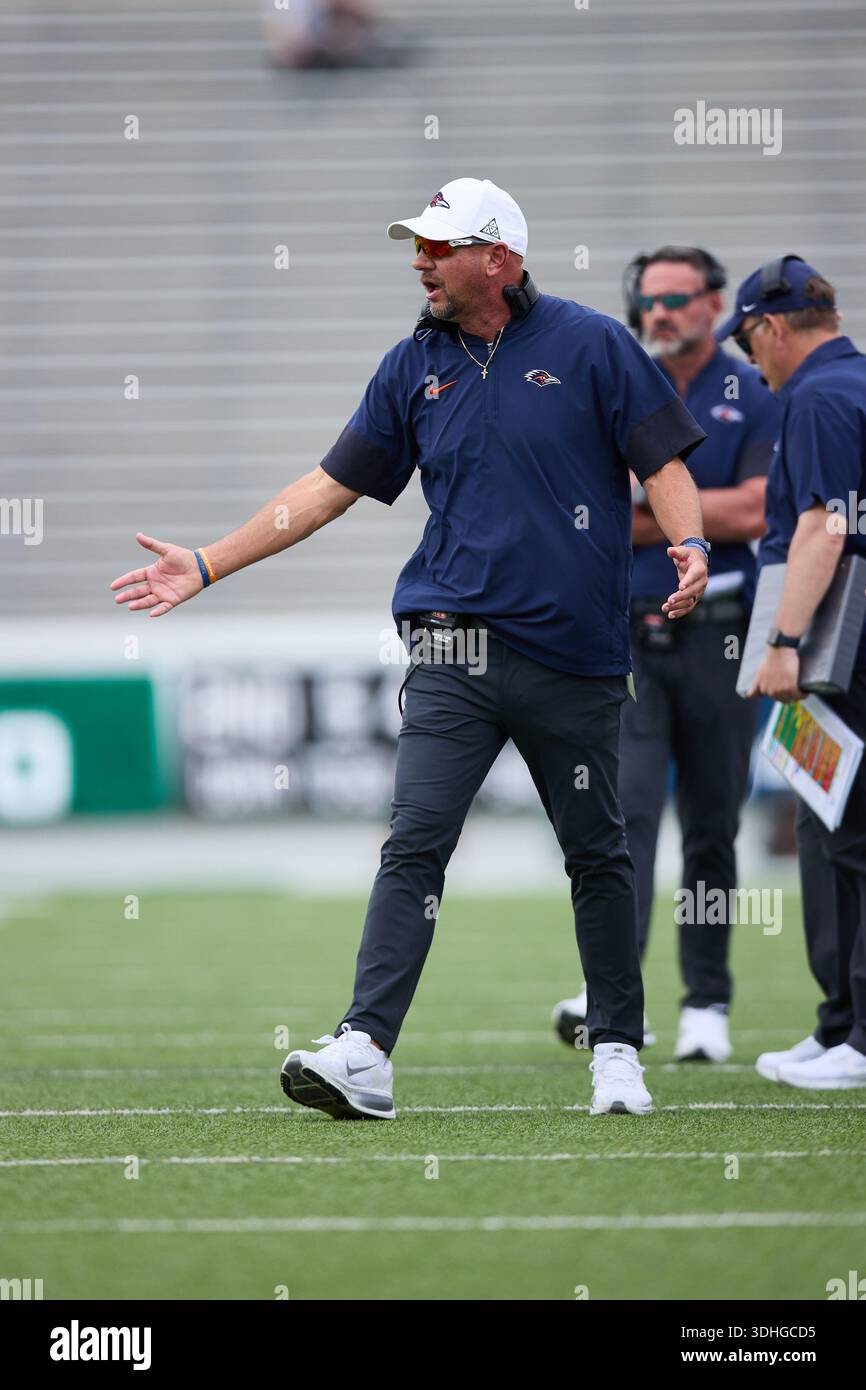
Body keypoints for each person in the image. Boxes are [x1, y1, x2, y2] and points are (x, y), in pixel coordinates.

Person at [110, 177, 709, 1117]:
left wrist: (691, 541)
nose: (420, 259)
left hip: (576, 656)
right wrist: (209, 562)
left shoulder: (593, 343)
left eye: (439, 245)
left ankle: (617, 1051)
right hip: (452, 652)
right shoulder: (410, 365)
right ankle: (365, 1050)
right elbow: (329, 486)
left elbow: (661, 460)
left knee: (599, 855)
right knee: (414, 846)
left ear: (499, 258)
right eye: (417, 245)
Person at [553, 247, 779, 1063]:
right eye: (650, 300)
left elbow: (756, 509)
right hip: (633, 631)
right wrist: (679, 514)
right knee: (626, 817)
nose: (662, 313)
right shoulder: (619, 385)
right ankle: (617, 997)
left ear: (714, 303)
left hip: (721, 630)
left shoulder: (751, 390)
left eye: (679, 298)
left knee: (713, 823)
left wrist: (657, 514)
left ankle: (707, 1003)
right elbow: (590, 508)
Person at [718, 254, 866, 1089]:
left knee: (851, 834)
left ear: (772, 328)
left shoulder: (815, 397)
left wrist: (781, 641)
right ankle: (840, 1020)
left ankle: (861, 1035)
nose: (753, 365)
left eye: (749, 344)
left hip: (842, 636)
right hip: (842, 625)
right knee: (825, 823)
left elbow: (824, 529)